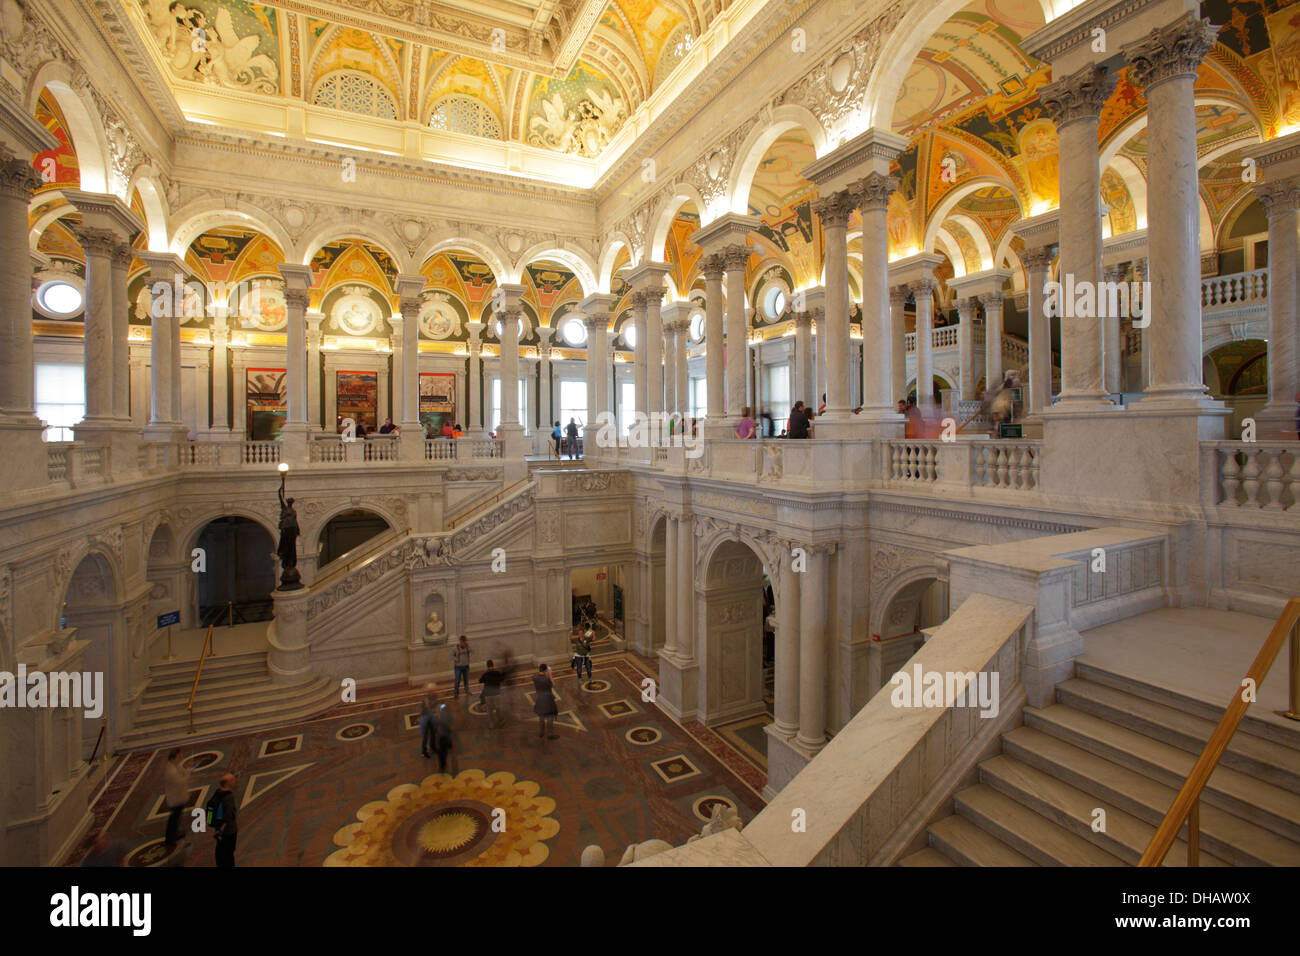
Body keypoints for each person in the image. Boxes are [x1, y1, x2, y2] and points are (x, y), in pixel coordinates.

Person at [207, 772, 238, 867]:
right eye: (232, 780)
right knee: (228, 853)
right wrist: (222, 830)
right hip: (228, 831)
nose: (234, 781)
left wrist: (216, 829)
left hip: (218, 828)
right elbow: (228, 816)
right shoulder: (228, 797)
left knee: (221, 851)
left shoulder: (217, 792)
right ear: (227, 783)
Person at [163, 748, 190, 850]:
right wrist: (188, 773)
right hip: (175, 799)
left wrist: (186, 770)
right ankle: (169, 839)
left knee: (177, 817)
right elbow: (180, 782)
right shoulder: (171, 771)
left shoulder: (175, 766)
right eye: (180, 755)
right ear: (175, 757)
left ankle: (175, 833)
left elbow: (182, 771)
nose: (181, 757)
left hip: (179, 797)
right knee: (174, 819)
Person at [479, 659, 507, 728]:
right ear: (493, 665)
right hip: (496, 693)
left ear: (487, 666)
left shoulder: (485, 674)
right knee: (498, 708)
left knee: (489, 710)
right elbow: (502, 678)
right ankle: (500, 721)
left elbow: (480, 681)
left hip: (488, 694)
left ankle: (492, 724)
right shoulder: (497, 673)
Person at [533, 664, 559, 739]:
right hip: (547, 698)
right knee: (550, 716)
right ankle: (550, 734)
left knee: (541, 716)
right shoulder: (546, 678)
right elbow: (552, 684)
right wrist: (550, 675)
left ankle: (541, 732)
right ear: (545, 670)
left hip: (539, 698)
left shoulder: (535, 677)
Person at [433, 701, 458, 774]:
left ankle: (448, 765)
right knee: (443, 752)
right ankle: (443, 766)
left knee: (445, 751)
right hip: (443, 736)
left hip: (445, 735)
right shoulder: (438, 715)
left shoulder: (443, 714)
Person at [418, 682, 438, 757]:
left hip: (433, 719)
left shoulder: (435, 697)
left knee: (433, 734)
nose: (435, 692)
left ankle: (432, 747)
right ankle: (423, 751)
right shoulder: (424, 700)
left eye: (435, 690)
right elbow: (421, 710)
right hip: (426, 720)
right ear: (429, 692)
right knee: (425, 737)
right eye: (433, 691)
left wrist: (442, 707)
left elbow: (439, 705)